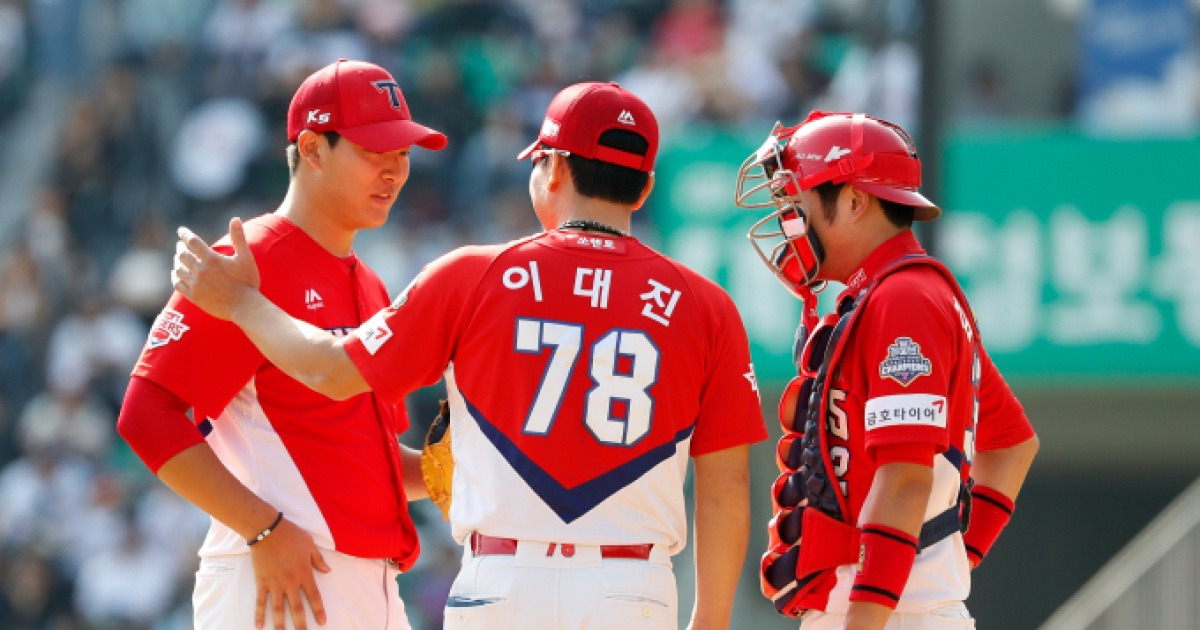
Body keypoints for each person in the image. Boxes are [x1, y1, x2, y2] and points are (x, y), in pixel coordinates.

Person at [171, 81, 768, 630]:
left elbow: (327, 370)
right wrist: (710, 619)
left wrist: (244, 303)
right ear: (644, 186)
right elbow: (725, 488)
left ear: (553, 169)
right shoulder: (707, 306)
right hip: (634, 587)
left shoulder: (474, 273)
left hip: (502, 583)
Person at [116, 58, 447, 630]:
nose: (394, 169)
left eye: (403, 152)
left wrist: (455, 472)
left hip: (368, 580)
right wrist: (261, 528)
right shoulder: (248, 262)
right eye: (375, 150)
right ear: (314, 148)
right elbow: (146, 415)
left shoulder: (369, 283)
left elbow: (366, 457)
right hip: (281, 579)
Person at [734, 111, 1039, 630]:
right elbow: (1012, 444)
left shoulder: (905, 297)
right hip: (893, 608)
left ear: (854, 200)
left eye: (796, 200)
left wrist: (922, 576)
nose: (788, 219)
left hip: (890, 615)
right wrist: (950, 556)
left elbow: (903, 480)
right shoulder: (893, 292)